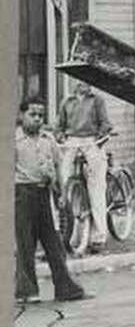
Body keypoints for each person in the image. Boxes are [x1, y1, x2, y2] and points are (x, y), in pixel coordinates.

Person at [14, 100, 87, 303]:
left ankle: (65, 287)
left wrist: (61, 193)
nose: (37, 119)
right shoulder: (14, 140)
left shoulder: (48, 140)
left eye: (41, 115)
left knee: (53, 242)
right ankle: (26, 291)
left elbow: (56, 167)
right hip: (21, 194)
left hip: (44, 194)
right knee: (25, 243)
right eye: (32, 114)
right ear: (21, 116)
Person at [56, 80, 112, 252]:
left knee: (96, 187)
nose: (83, 84)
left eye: (86, 80)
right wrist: (59, 136)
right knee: (64, 182)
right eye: (79, 80)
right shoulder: (67, 101)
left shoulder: (97, 100)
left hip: (91, 140)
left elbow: (105, 124)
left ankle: (99, 237)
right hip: (71, 141)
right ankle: (67, 234)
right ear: (73, 81)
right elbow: (59, 125)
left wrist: (98, 138)